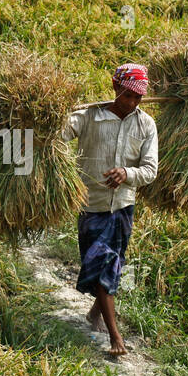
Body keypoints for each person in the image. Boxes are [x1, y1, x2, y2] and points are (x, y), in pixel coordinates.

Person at [62, 64, 159, 356]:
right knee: (103, 264)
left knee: (114, 266)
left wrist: (127, 174)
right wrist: (51, 113)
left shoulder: (146, 125)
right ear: (116, 88)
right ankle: (116, 337)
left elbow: (150, 170)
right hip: (91, 205)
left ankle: (95, 314)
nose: (133, 103)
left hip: (123, 207)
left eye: (138, 98)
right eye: (129, 95)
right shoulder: (89, 117)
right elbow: (57, 134)